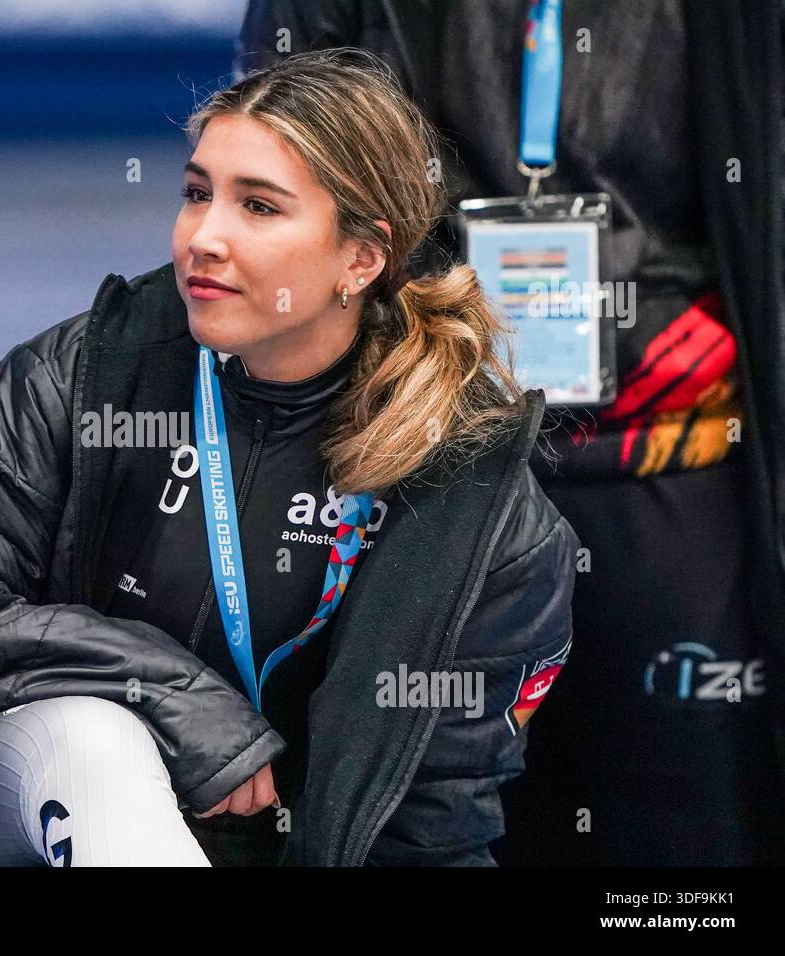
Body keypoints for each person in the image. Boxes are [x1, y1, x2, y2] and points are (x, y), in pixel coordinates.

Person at [0, 49, 579, 867]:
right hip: (2, 808)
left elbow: (429, 831)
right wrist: (175, 698)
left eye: (259, 207)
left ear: (361, 258)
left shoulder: (485, 517)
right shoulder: (86, 371)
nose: (203, 236)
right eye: (196, 193)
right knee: (96, 739)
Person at [233, 0, 785, 865]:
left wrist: (729, 318)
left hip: (683, 456)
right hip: (435, 455)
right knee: (436, 821)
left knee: (693, 846)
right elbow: (275, 164)